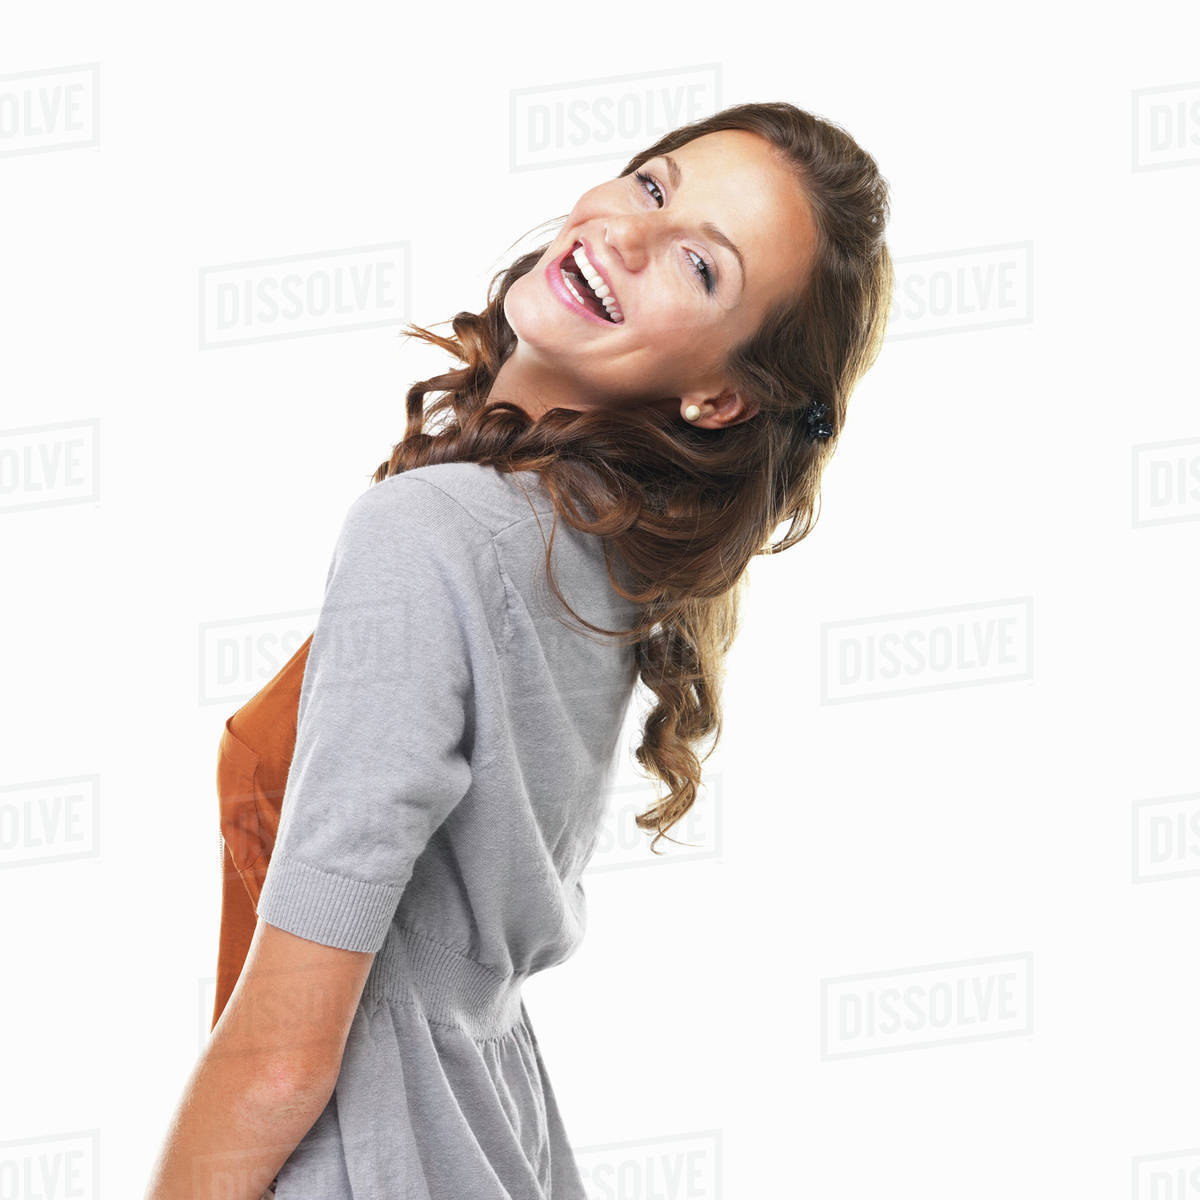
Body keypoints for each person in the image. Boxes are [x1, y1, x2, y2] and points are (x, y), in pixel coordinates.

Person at [144, 100, 893, 1200]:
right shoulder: (600, 567)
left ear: (719, 395)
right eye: (653, 183)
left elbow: (282, 1057)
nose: (630, 235)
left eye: (699, 265)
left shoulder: (434, 536)